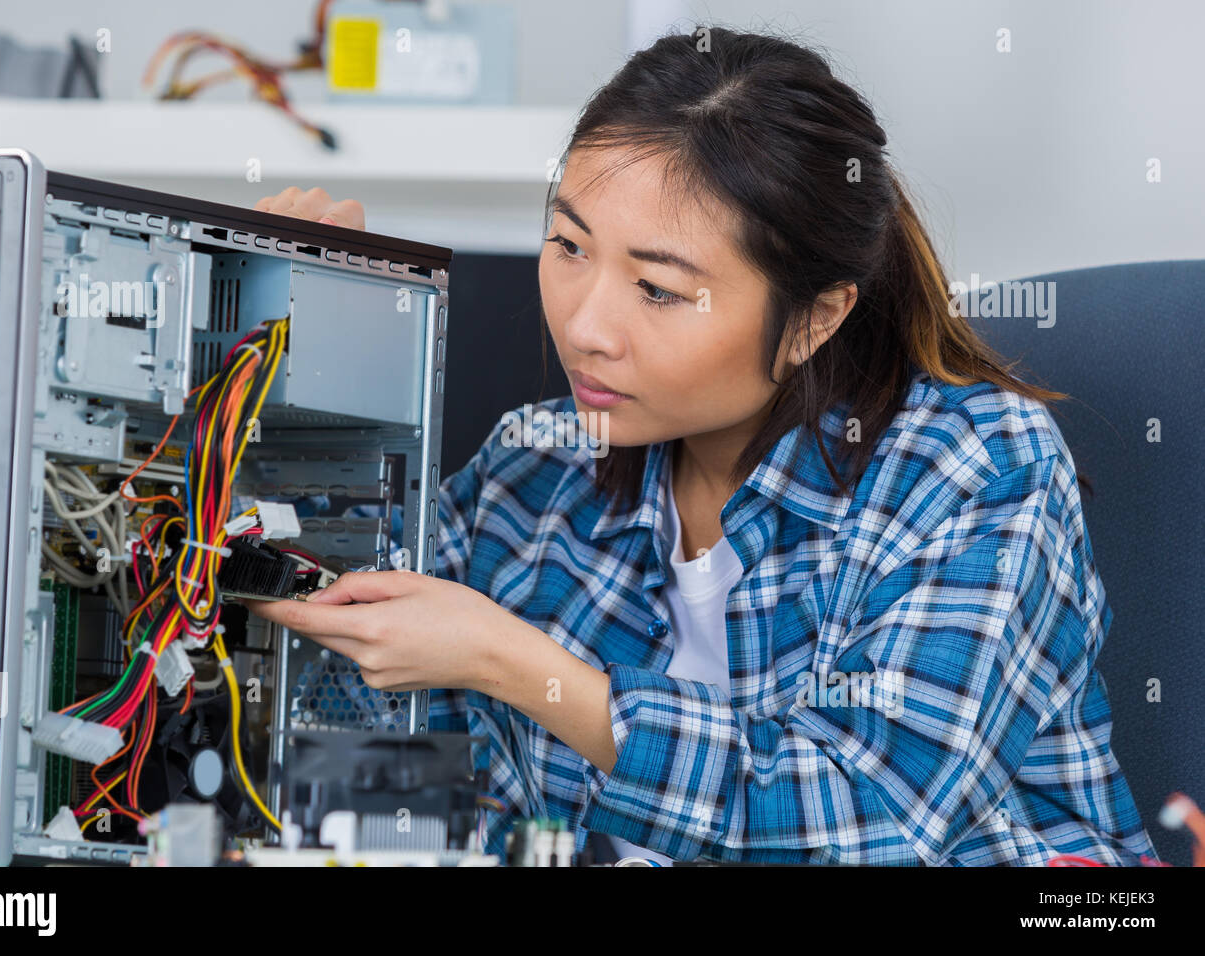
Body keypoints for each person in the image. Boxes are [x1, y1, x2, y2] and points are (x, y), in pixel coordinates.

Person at [245, 27, 1157, 866]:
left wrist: (515, 665)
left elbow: (875, 819)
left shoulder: (973, 469)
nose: (586, 327)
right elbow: (359, 752)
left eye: (659, 289)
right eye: (567, 245)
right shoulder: (535, 470)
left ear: (814, 318)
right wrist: (307, 382)